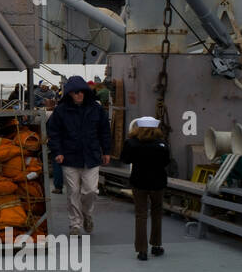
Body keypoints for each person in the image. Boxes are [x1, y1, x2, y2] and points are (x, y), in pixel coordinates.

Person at [46, 75, 111, 235]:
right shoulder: (61, 111)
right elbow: (53, 132)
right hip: (70, 156)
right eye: (75, 92)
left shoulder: (96, 109)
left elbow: (104, 131)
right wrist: (58, 151)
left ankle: (87, 215)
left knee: (90, 191)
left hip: (92, 156)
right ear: (69, 93)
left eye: (81, 92)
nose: (79, 94)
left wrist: (107, 151)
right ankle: (75, 224)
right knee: (73, 192)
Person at [120, 115, 170, 260]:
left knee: (141, 215)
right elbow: (166, 161)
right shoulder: (162, 144)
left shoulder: (131, 143)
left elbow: (125, 159)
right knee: (156, 213)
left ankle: (142, 250)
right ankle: (156, 245)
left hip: (139, 182)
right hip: (158, 183)